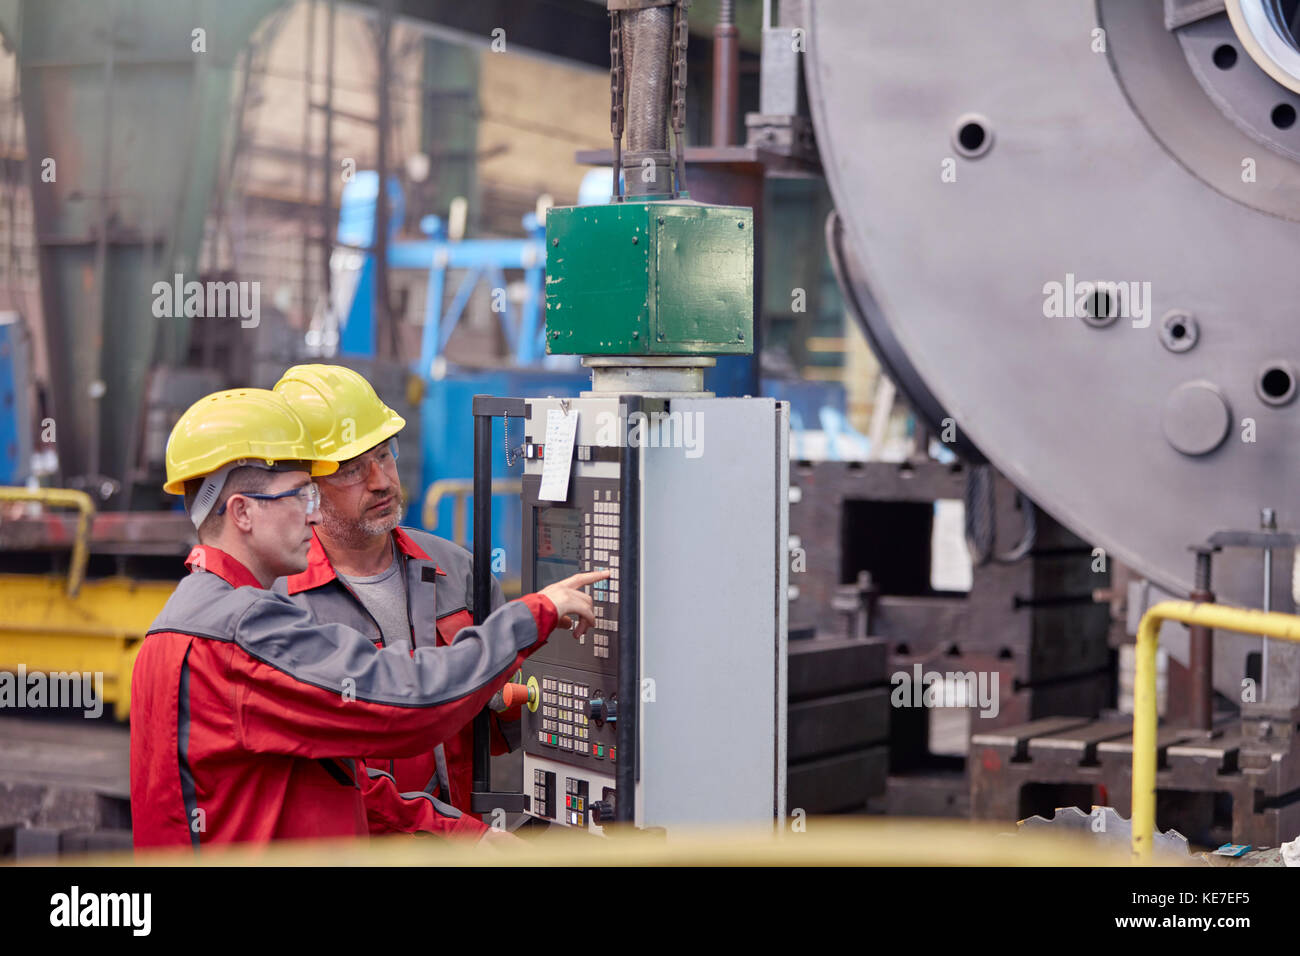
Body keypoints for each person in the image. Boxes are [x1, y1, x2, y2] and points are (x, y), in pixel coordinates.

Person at [129, 387, 605, 849]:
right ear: (243, 513)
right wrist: (533, 615)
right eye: (300, 495)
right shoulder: (243, 631)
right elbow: (406, 703)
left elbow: (348, 781)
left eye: (384, 455)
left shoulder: (178, 625)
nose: (311, 517)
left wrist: (463, 835)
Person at [271, 364, 514, 813]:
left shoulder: (456, 571)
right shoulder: (279, 604)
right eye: (351, 469)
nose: (381, 480)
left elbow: (512, 730)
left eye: (383, 455)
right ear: (305, 487)